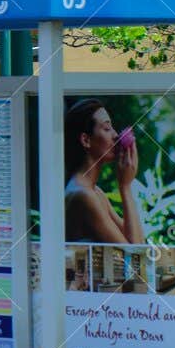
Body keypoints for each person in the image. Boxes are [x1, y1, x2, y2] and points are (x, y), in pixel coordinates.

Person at [63, 98, 146, 245]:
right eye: (107, 129)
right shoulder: (83, 195)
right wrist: (125, 187)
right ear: (86, 140)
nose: (115, 135)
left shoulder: (96, 192)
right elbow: (135, 257)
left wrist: (126, 184)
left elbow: (138, 242)